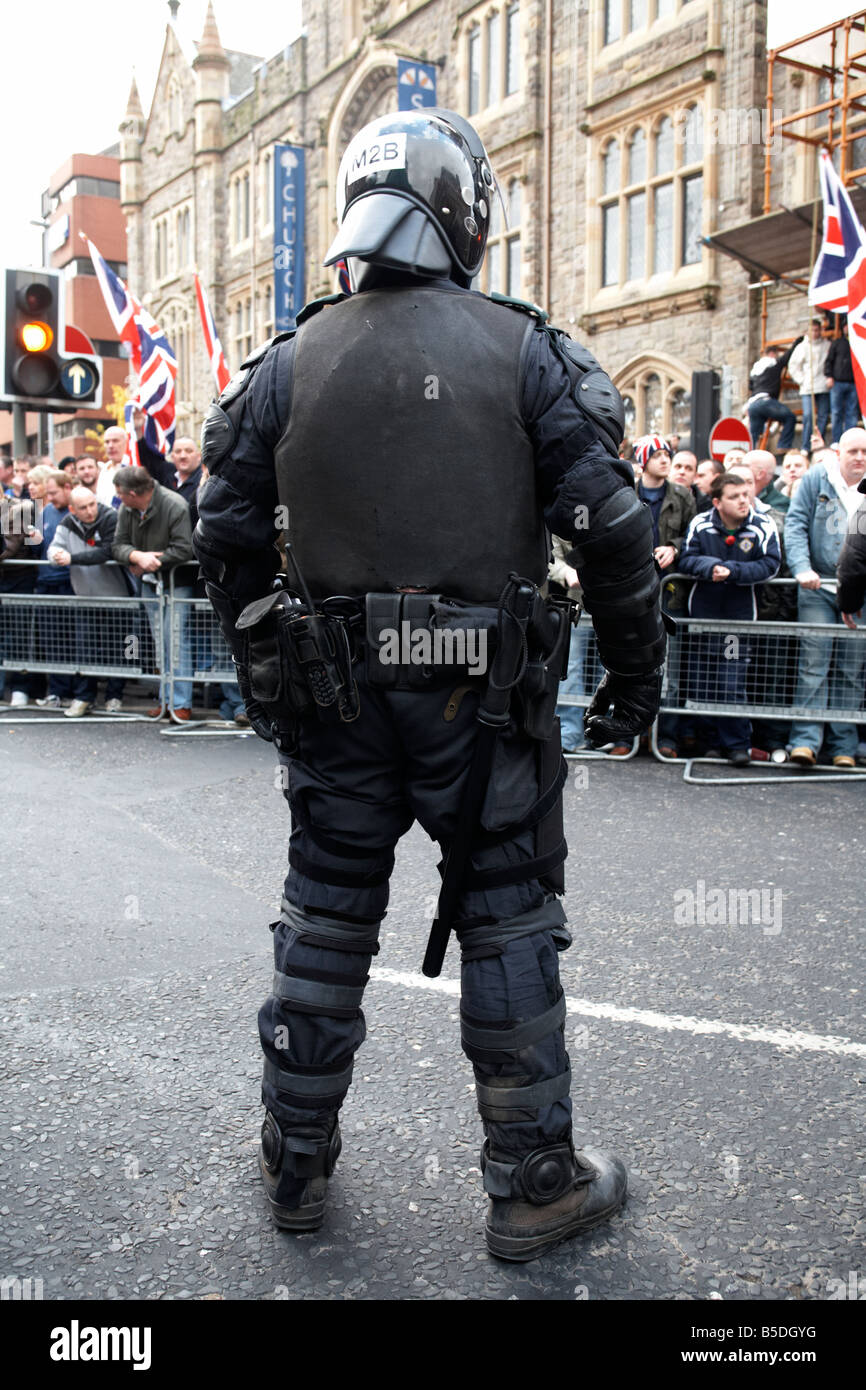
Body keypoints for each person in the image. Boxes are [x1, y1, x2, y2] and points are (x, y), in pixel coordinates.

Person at [193, 108, 667, 1262]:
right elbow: (611, 528)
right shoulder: (527, 351)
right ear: (460, 209)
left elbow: (224, 529)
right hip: (482, 710)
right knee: (507, 921)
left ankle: (293, 1166)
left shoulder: (287, 363)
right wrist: (634, 680)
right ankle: (532, 1183)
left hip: (337, 705)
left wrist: (264, 663)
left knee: (325, 918)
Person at [677, 473, 781, 765]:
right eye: (734, 497)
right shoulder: (701, 523)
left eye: (745, 495)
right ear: (717, 502)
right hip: (703, 616)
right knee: (703, 680)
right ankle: (708, 742)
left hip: (737, 619)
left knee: (731, 682)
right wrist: (711, 567)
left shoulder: (762, 525)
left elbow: (771, 565)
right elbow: (686, 559)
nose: (743, 501)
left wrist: (733, 571)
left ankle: (736, 744)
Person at [784, 426, 866, 768]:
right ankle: (805, 741)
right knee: (813, 665)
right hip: (818, 588)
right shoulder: (817, 478)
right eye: (853, 452)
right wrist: (802, 568)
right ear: (838, 453)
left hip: (859, 592)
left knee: (851, 668)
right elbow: (796, 523)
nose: (860, 458)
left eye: (865, 452)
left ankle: (843, 744)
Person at [111, 466, 195, 719]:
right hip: (149, 584)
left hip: (176, 583)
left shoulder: (174, 504)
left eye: (120, 494)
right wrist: (136, 556)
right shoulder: (127, 509)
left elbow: (184, 548)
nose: (119, 498)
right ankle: (166, 700)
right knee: (161, 643)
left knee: (177, 642)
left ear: (134, 493)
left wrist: (153, 562)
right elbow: (117, 545)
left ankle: (181, 703)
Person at [633, 435, 695, 758]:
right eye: (657, 455)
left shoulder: (683, 495)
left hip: (669, 590)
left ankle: (666, 736)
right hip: (631, 591)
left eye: (666, 454)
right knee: (629, 662)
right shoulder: (625, 492)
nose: (665, 460)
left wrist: (675, 548)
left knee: (669, 665)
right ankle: (626, 735)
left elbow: (694, 535)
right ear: (643, 460)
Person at [47, 485, 130, 716]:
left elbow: (108, 551)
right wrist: (56, 556)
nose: (90, 511)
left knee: (121, 649)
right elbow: (53, 549)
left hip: (117, 597)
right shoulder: (67, 523)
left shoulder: (110, 516)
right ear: (73, 509)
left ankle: (115, 696)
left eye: (92, 504)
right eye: (83, 508)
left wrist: (71, 558)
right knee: (86, 650)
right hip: (85, 598)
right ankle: (84, 697)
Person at [745, 340, 801, 452]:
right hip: (766, 401)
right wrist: (799, 341)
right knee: (790, 417)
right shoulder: (773, 363)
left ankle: (752, 452)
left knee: (755, 434)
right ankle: (784, 445)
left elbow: (750, 387)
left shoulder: (755, 369)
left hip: (753, 404)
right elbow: (788, 355)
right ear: (772, 353)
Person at [787, 318, 831, 450]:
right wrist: (802, 379)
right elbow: (793, 366)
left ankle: (819, 444)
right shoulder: (802, 347)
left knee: (823, 416)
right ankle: (806, 445)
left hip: (822, 385)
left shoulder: (826, 345)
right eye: (812, 330)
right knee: (808, 416)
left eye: (817, 330)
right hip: (808, 386)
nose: (815, 333)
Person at [825, 324, 861, 441]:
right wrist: (829, 376)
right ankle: (837, 440)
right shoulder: (837, 342)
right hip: (838, 383)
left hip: (853, 383)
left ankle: (850, 440)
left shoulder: (858, 342)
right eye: (845, 326)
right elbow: (829, 361)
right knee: (836, 412)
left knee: (852, 412)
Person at [671, 449, 711, 513]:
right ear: (669, 469)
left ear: (695, 475)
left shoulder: (706, 505)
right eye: (678, 467)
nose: (682, 472)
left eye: (689, 468)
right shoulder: (654, 498)